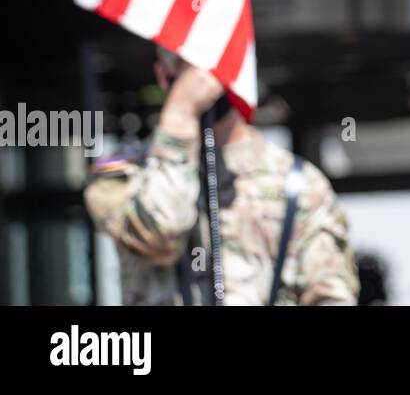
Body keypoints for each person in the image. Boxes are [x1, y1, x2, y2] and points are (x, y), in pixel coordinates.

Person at [85, 47, 359, 304]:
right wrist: (179, 118)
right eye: (188, 66)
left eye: (214, 62)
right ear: (163, 75)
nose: (205, 80)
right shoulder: (124, 172)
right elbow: (159, 234)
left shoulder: (301, 184)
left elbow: (331, 296)